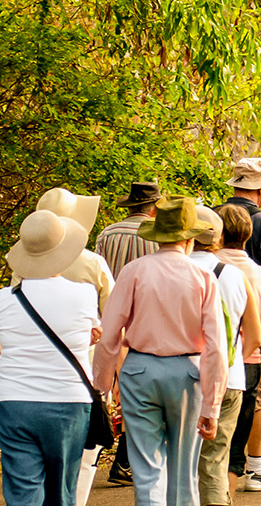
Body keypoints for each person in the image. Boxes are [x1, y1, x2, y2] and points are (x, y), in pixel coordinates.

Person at [92, 195, 227, 506]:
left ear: (157, 235)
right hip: (186, 371)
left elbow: (110, 331)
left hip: (139, 370)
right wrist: (211, 404)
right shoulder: (204, 277)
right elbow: (216, 345)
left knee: (147, 469)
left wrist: (102, 385)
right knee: (184, 466)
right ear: (189, 238)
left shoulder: (134, 271)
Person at [0, 210, 99, 506]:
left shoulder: (5, 297)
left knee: (21, 491)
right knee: (62, 487)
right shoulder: (83, 294)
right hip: (68, 402)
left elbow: (3, 338)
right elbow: (95, 333)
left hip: (15, 400)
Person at [188, 206, 261, 506]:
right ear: (218, 238)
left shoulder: (177, 270)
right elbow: (255, 334)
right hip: (229, 379)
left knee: (182, 459)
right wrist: (235, 359)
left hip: (183, 375)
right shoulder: (234, 275)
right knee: (216, 458)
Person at [217, 158, 261, 493]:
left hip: (210, 325)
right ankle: (256, 465)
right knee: (257, 395)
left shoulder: (212, 217)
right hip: (253, 324)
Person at [215, 203, 261, 506]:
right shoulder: (253, 270)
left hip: (203, 361)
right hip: (246, 362)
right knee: (235, 440)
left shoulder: (204, 265)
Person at [94, 181, 163, 486]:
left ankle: (96, 454)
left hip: (110, 314)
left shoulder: (106, 234)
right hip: (144, 318)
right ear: (153, 207)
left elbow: (97, 274)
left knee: (108, 388)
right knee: (137, 391)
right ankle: (124, 460)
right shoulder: (157, 235)